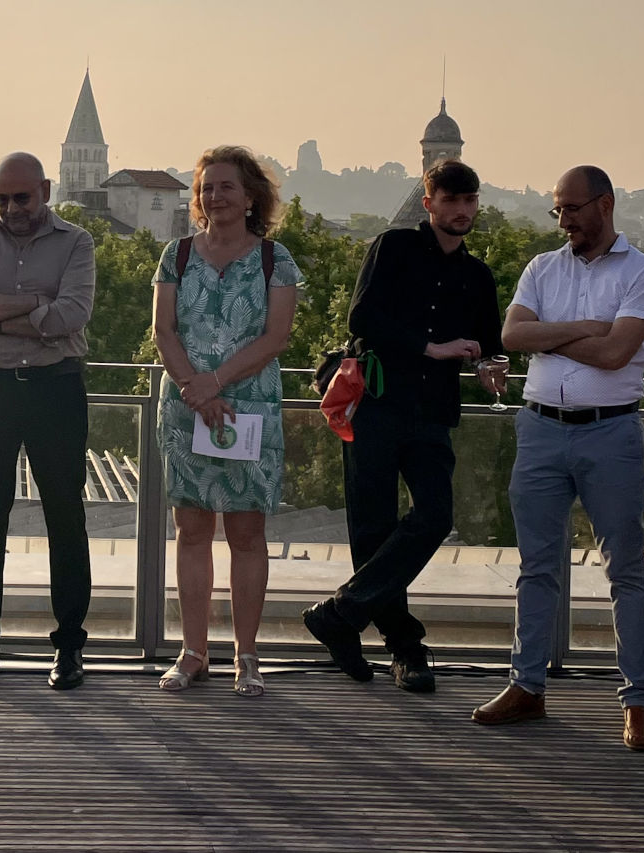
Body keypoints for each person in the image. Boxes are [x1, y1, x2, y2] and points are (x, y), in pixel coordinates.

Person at [472, 166, 644, 752]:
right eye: (557, 210)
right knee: (536, 566)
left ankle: (638, 703)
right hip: (540, 431)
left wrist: (548, 334)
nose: (563, 220)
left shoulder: (643, 272)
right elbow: (510, 336)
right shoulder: (542, 267)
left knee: (626, 570)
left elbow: (615, 355)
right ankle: (526, 686)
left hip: (611, 434)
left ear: (604, 205)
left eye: (572, 209)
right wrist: (581, 327)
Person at [302, 160, 502, 692]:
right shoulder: (392, 247)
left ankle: (339, 615)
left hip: (433, 411)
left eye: (470, 201)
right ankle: (405, 649)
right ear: (428, 201)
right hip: (378, 402)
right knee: (372, 528)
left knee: (435, 515)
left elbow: (489, 342)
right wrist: (431, 346)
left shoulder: (478, 275)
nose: (462, 210)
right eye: (451, 200)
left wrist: (486, 368)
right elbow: (362, 319)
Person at [152, 145, 302, 695]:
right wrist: (197, 388)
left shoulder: (275, 259)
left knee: (245, 531)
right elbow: (164, 332)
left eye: (226, 187)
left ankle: (246, 657)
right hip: (187, 407)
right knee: (190, 531)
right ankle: (193, 653)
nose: (214, 196)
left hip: (249, 408)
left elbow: (275, 337)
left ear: (250, 198)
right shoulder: (177, 255)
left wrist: (214, 385)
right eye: (206, 187)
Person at [0, 152, 96, 690]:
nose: (11, 208)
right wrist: (35, 304)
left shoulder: (77, 242)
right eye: (2, 198)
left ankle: (70, 648)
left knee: (65, 520)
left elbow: (71, 316)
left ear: (46, 191)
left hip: (56, 390)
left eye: (21, 197)